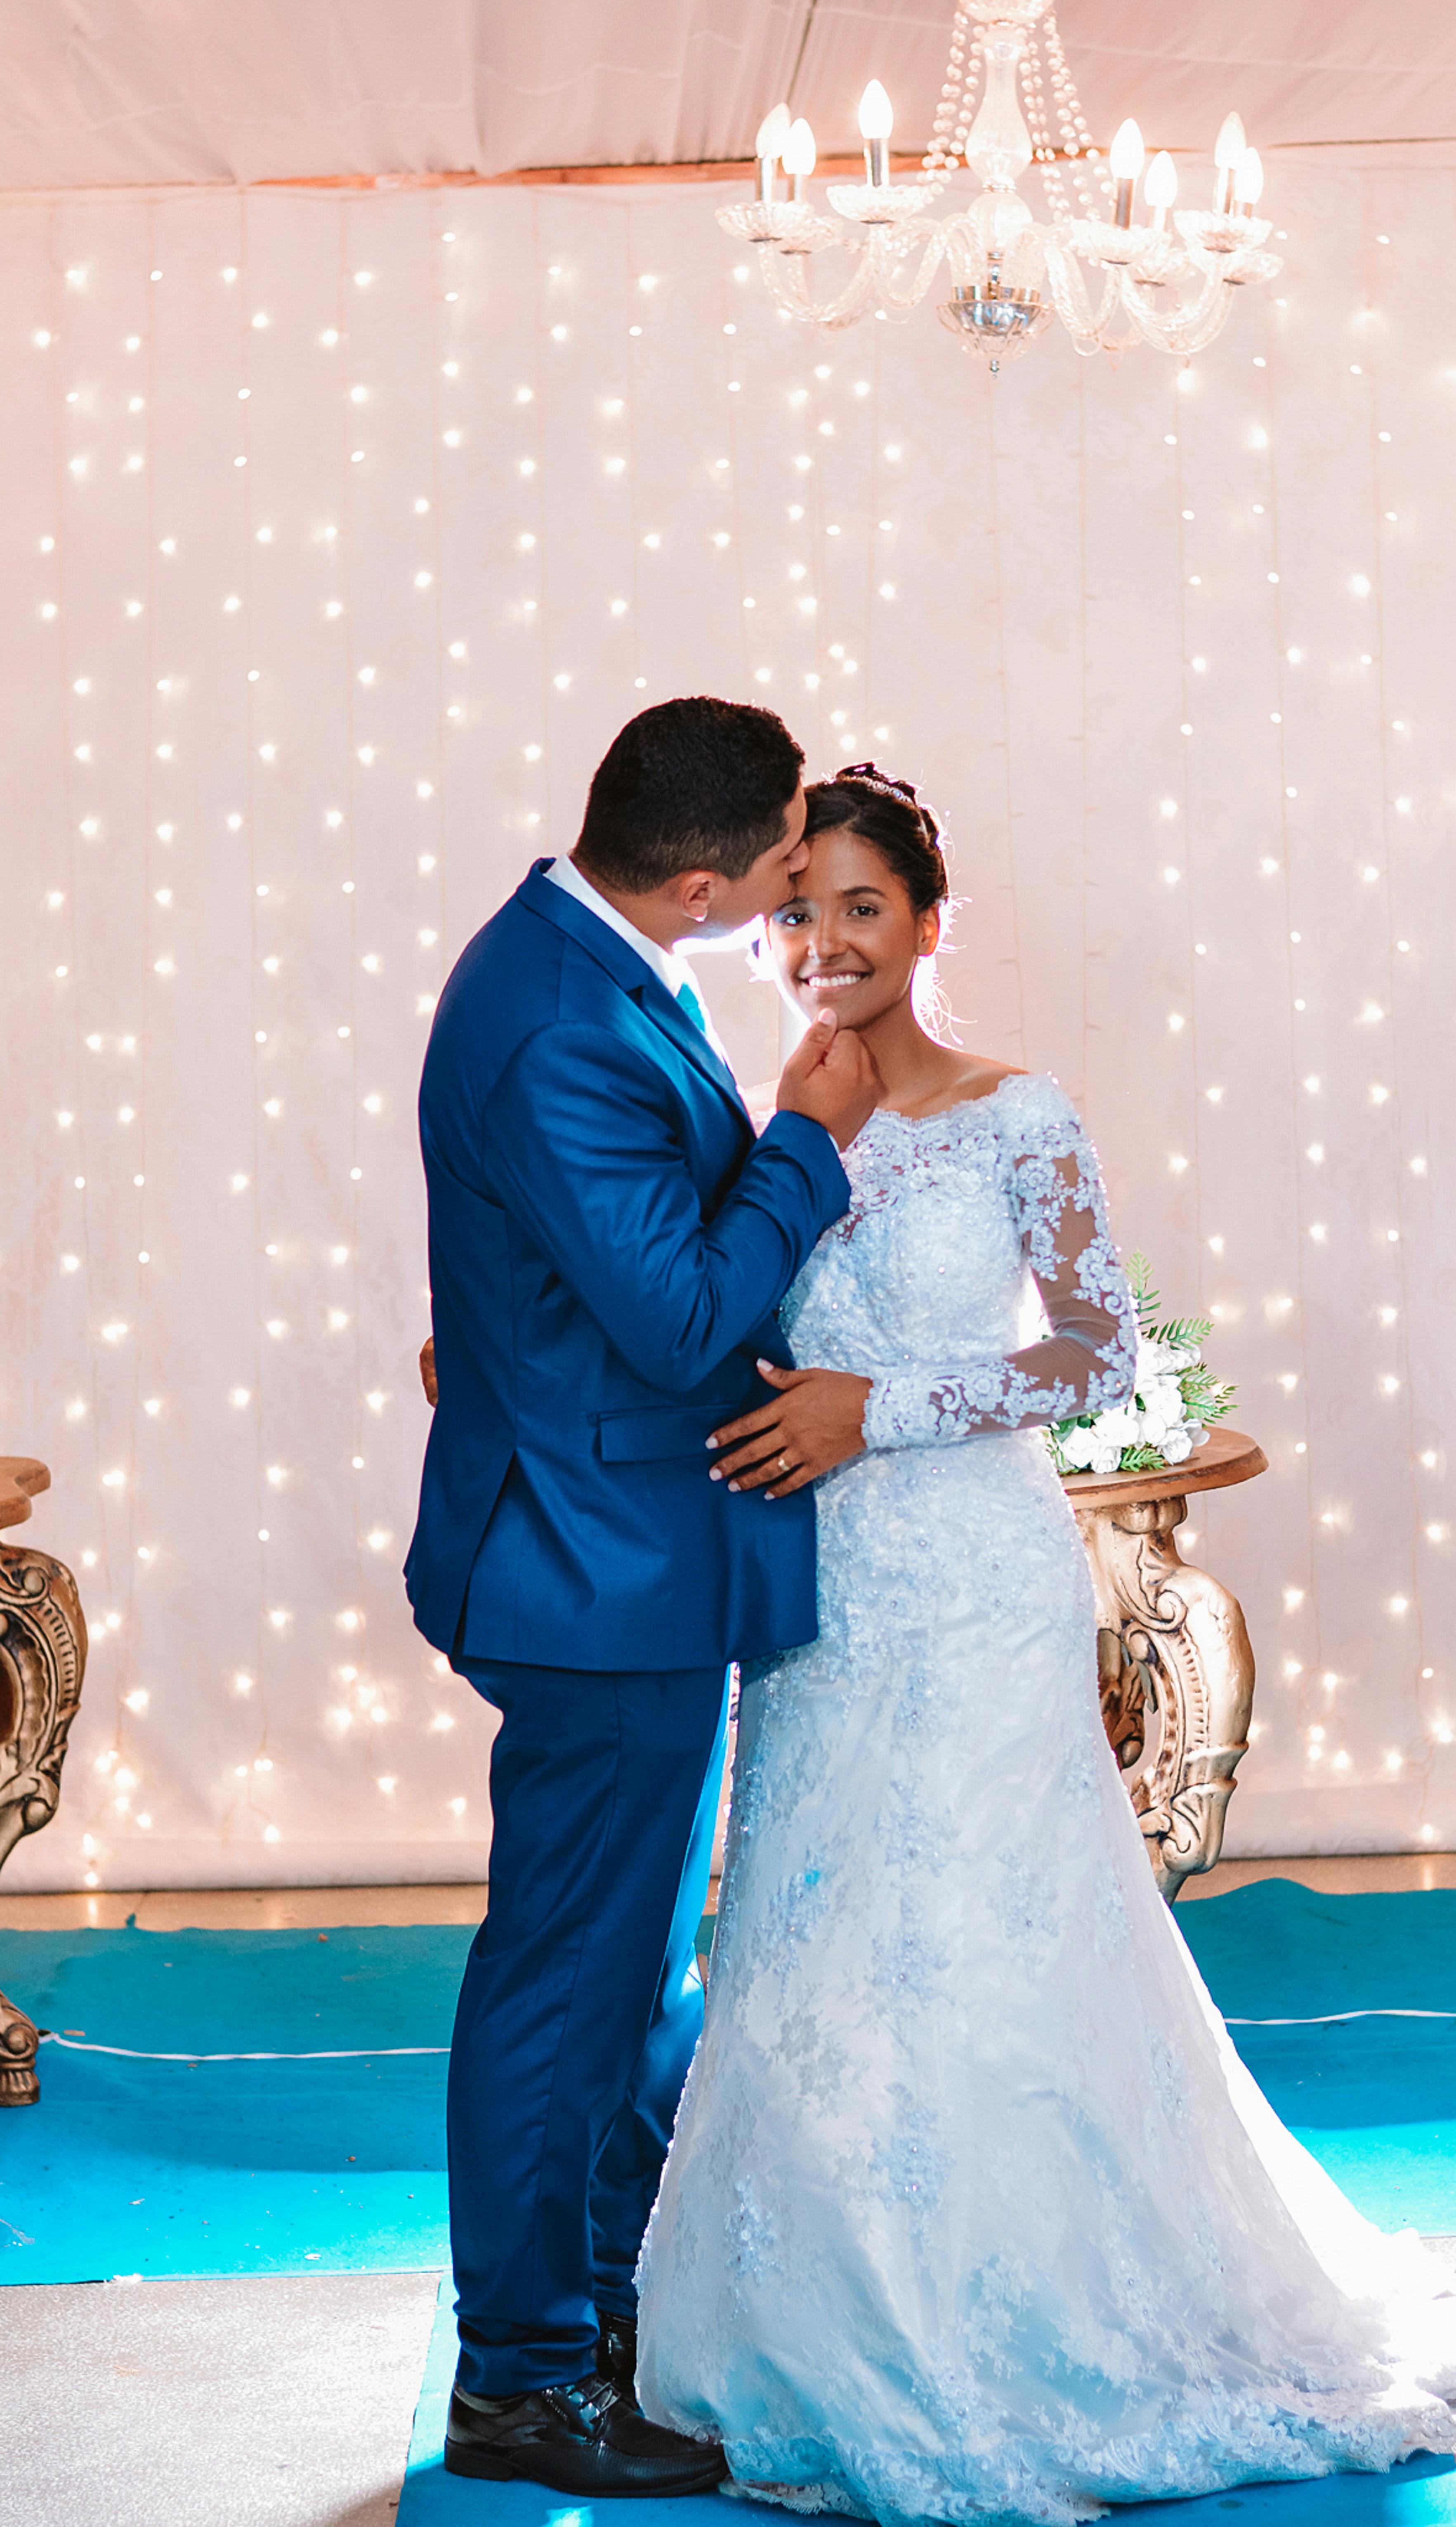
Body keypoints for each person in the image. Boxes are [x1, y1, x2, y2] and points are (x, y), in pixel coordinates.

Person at [634, 766, 1456, 2520]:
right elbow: (701, 1324)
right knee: (817, 1919)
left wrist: (878, 1408)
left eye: (860, 906)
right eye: (796, 911)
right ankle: (815, 2304)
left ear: (926, 921)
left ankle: (1040, 2309)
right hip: (817, 1596)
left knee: (991, 1921)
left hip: (974, 1578)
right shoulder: (767, 1125)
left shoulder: (1016, 1112)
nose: (824, 941)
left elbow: (1084, 1354)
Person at [404, 697, 878, 2499]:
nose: (788, 904)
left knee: (622, 1980)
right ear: (695, 872)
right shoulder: (557, 1023)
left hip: (624, 1550)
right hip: (592, 1572)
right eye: (774, 872)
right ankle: (522, 2380)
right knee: (568, 1987)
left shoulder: (590, 960)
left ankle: (598, 2317)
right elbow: (679, 1315)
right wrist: (808, 1142)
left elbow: (561, 1263)